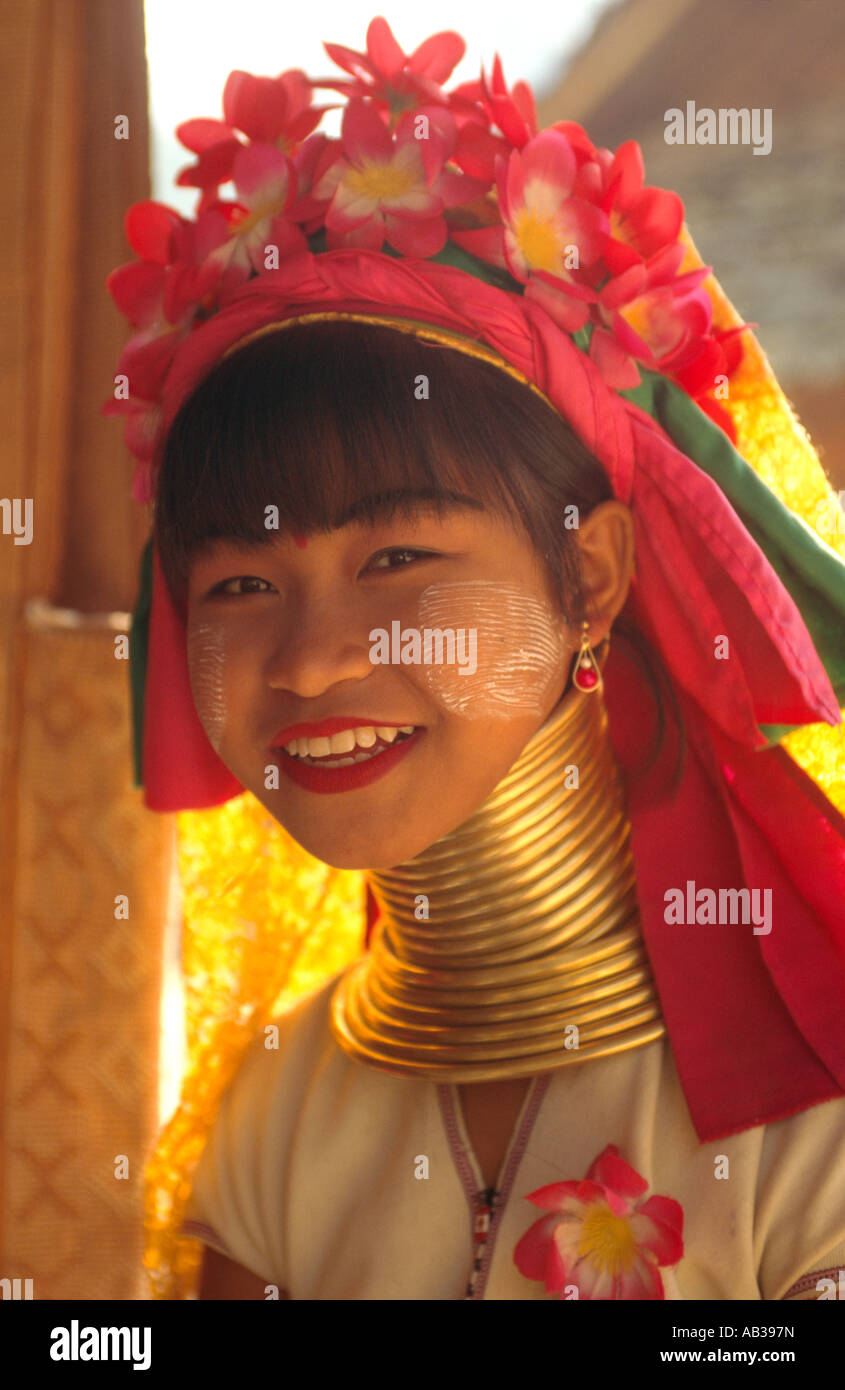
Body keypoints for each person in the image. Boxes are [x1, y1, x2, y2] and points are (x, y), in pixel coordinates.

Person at [107, 18, 845, 1300]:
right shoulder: (279, 1120)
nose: (312, 662)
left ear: (589, 577)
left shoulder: (814, 1123)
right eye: (238, 583)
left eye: (395, 561)